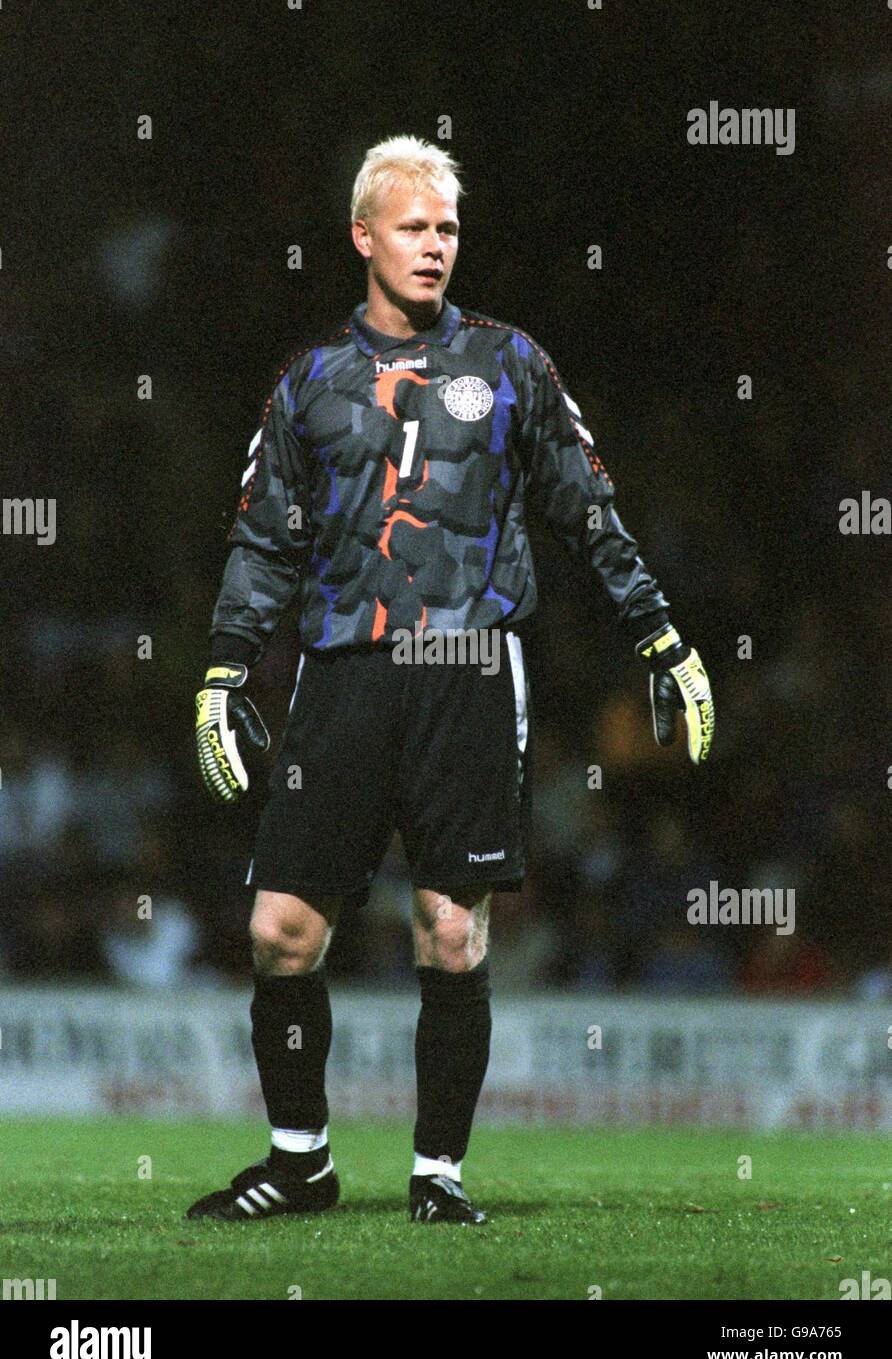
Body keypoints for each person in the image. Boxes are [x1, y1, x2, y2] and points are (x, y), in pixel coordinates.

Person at [189, 135, 714, 1225]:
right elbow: (263, 541)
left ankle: (437, 1176)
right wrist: (222, 668)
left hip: (469, 667)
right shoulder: (308, 382)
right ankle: (300, 1162)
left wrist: (660, 634)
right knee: (280, 930)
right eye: (415, 227)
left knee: (451, 926)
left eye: (448, 229)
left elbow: (585, 505)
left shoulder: (510, 362)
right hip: (338, 674)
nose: (435, 247)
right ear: (361, 236)